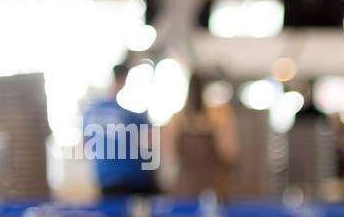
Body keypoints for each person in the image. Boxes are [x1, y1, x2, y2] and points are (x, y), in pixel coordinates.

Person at [82, 63, 159, 198]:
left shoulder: (90, 112)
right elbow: (151, 139)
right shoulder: (130, 114)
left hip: (104, 177)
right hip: (132, 177)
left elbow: (85, 145)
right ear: (123, 80)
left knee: (112, 216)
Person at [166, 74, 237, 200]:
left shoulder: (218, 116)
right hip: (191, 188)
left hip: (210, 186)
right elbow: (229, 152)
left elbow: (228, 152)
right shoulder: (179, 119)